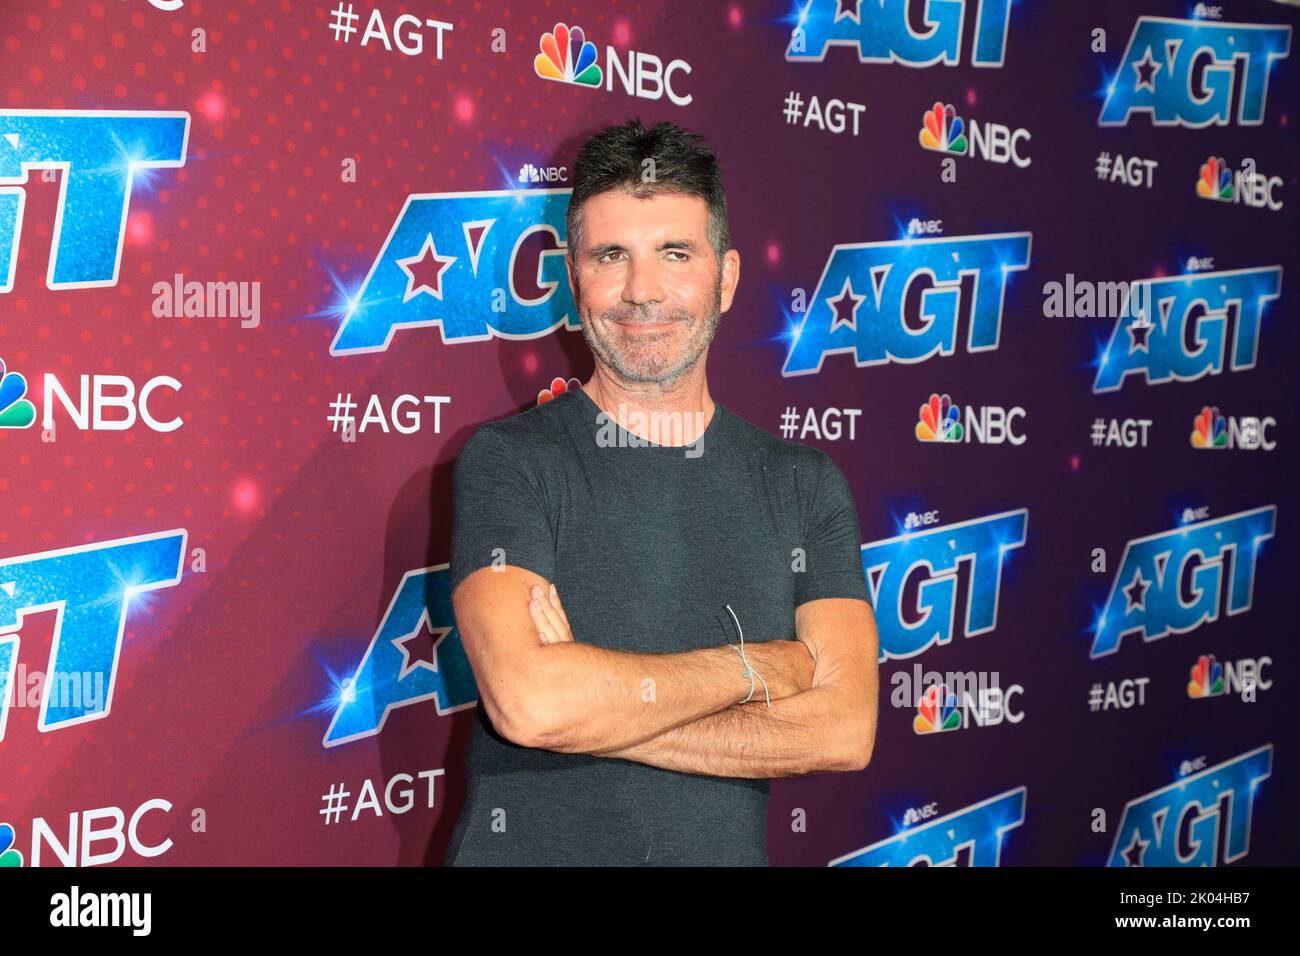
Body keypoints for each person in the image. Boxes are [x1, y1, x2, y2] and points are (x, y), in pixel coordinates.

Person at [446, 118, 879, 866]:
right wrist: (759, 670)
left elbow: (843, 731)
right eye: (611, 256)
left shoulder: (805, 487)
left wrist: (601, 705)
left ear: (728, 277)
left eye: (674, 253)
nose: (641, 290)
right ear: (574, 277)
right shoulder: (511, 463)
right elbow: (532, 703)